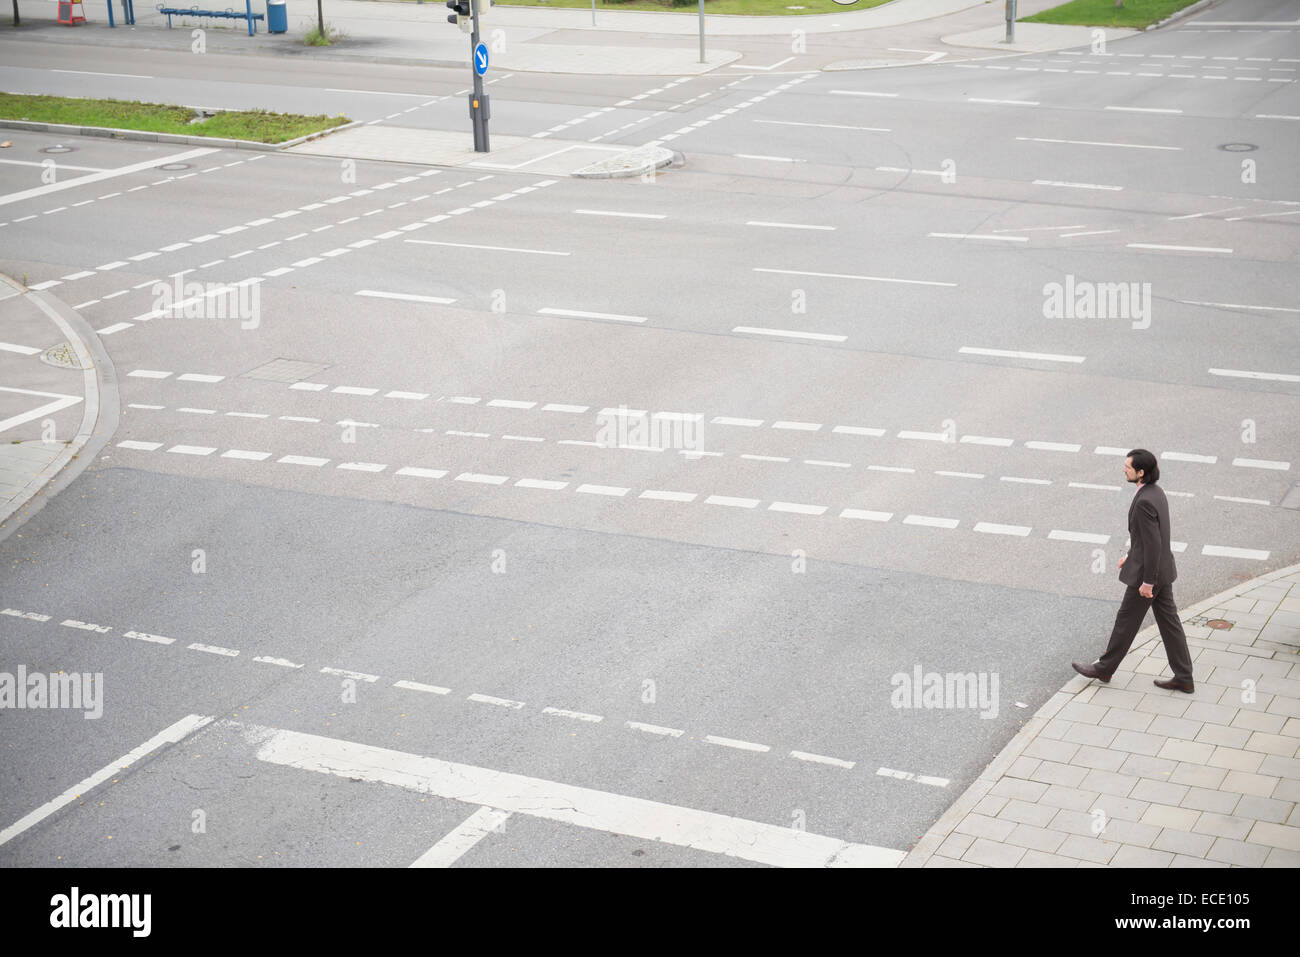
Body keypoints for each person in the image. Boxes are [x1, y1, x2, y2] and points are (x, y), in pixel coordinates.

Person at [1072, 449, 1194, 693]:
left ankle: (1105, 668)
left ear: (1140, 472)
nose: (1123, 469)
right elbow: (1149, 538)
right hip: (1162, 569)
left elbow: (1154, 543)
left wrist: (1148, 581)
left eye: (1127, 467)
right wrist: (1129, 555)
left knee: (1126, 620)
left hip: (1149, 575)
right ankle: (1184, 676)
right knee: (1170, 624)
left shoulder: (1145, 501)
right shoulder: (1155, 492)